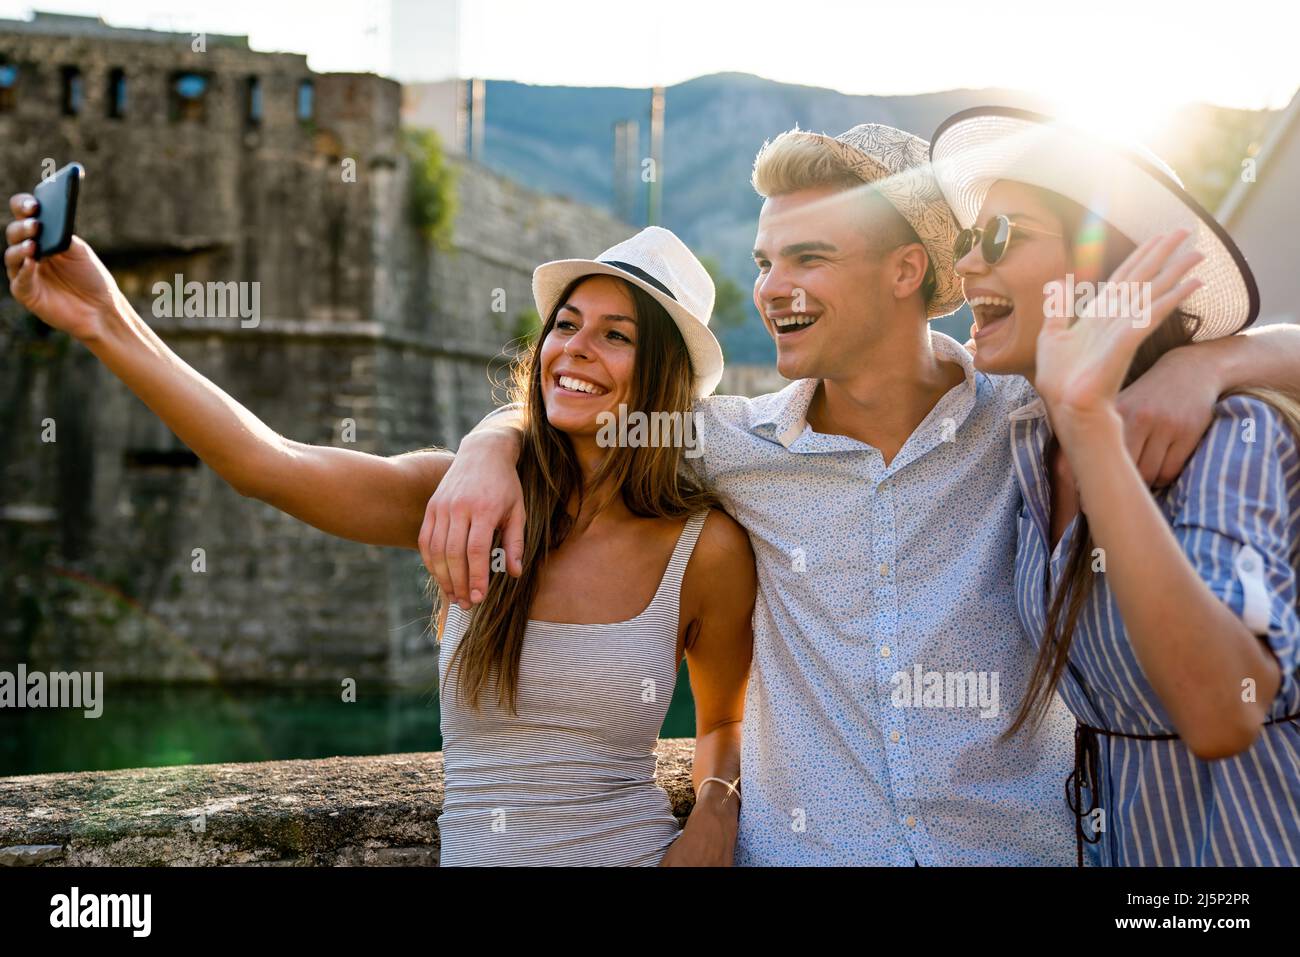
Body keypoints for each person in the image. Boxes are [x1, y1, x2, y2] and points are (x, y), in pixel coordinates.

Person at [418, 122, 1300, 864]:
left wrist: (1216, 359)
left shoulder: (1032, 423)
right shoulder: (734, 441)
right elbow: (584, 425)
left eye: (807, 256)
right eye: (764, 261)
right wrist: (488, 444)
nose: (769, 290)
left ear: (908, 270)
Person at [3, 207, 756, 866]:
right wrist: (106, 319)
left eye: (615, 335)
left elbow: (724, 716)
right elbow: (267, 464)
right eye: (566, 323)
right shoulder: (463, 500)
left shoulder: (704, 548)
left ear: (661, 378)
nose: (575, 348)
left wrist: (716, 812)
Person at [932, 106, 1300, 866]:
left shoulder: (1225, 434)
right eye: (968, 240)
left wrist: (1192, 374)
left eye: (1002, 236)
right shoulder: (1027, 433)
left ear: (1095, 266)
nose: (966, 265)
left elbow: (1222, 715)